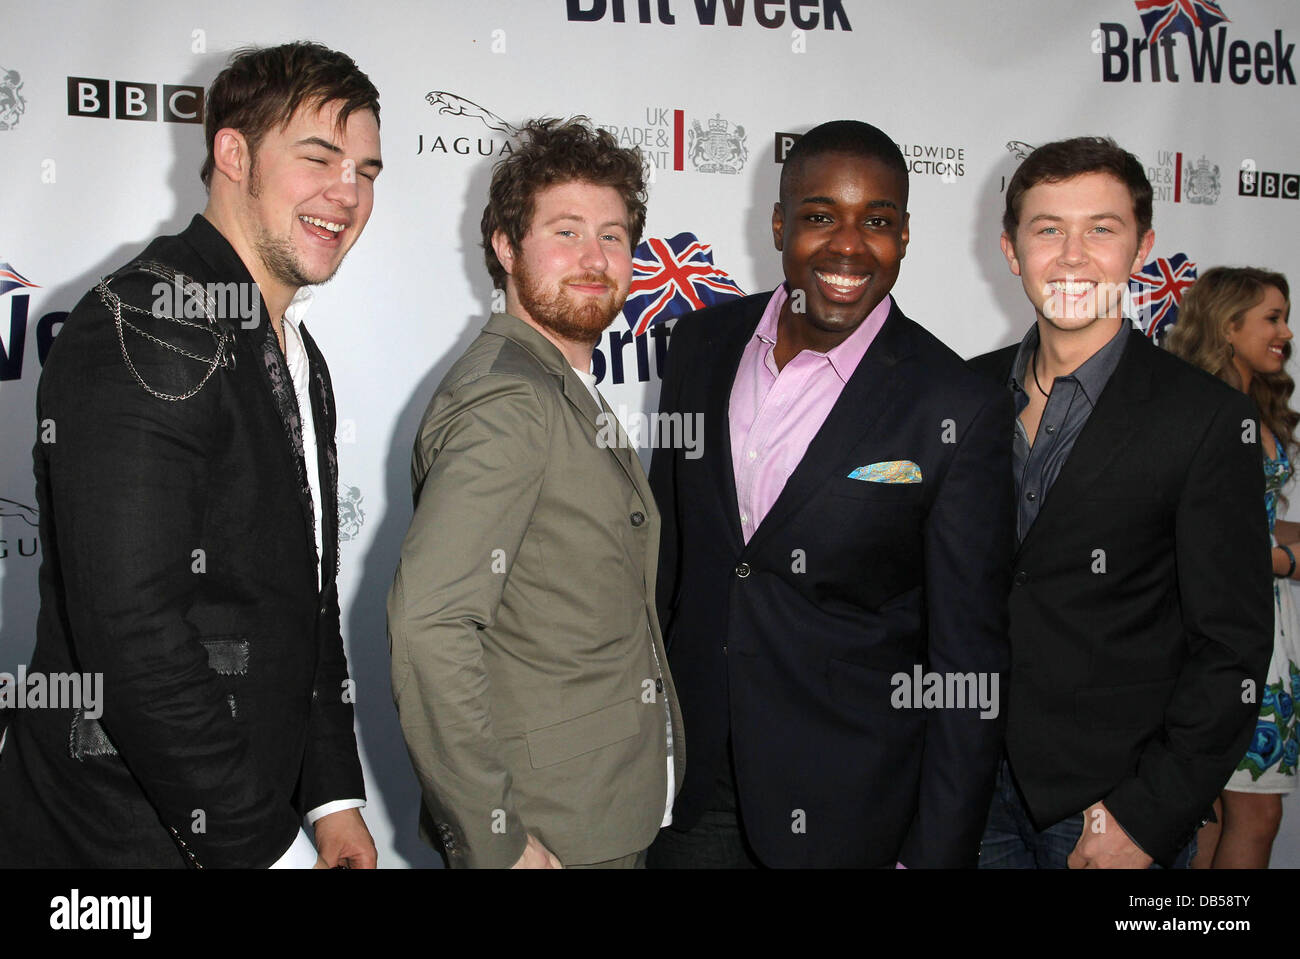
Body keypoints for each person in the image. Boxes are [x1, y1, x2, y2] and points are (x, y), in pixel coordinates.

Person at [0, 41, 382, 868]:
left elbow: (304, 603)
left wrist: (331, 795)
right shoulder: (151, 320)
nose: (347, 193)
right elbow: (133, 634)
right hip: (116, 840)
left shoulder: (294, 350)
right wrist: (264, 845)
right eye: (318, 156)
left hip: (246, 815)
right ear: (232, 153)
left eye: (367, 170)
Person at [647, 119, 1014, 868]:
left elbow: (967, 661)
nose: (848, 246)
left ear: (905, 236)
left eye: (876, 221)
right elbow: (666, 567)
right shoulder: (700, 346)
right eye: (819, 216)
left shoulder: (955, 404)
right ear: (780, 224)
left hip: (850, 811)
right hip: (691, 793)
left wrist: (934, 853)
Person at [970, 137, 1273, 869]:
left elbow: (1231, 648)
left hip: (1109, 807)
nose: (1073, 257)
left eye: (1101, 229)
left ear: (1142, 246)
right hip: (968, 795)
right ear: (1012, 250)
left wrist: (1147, 814)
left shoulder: (1201, 418)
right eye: (1048, 229)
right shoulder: (961, 393)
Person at [388, 118, 682, 869]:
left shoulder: (556, 384)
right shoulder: (510, 402)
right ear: (505, 247)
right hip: (551, 838)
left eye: (613, 236)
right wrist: (499, 840)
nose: (594, 258)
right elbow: (429, 625)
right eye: (567, 231)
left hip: (595, 815)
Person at [1166, 266, 1296, 868]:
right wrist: (1288, 559)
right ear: (1227, 324)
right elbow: (1207, 541)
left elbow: (1259, 520)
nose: (1286, 332)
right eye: (1272, 318)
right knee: (1254, 812)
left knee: (1213, 814)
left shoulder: (1251, 403)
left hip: (1262, 629)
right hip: (1228, 630)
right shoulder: (1200, 410)